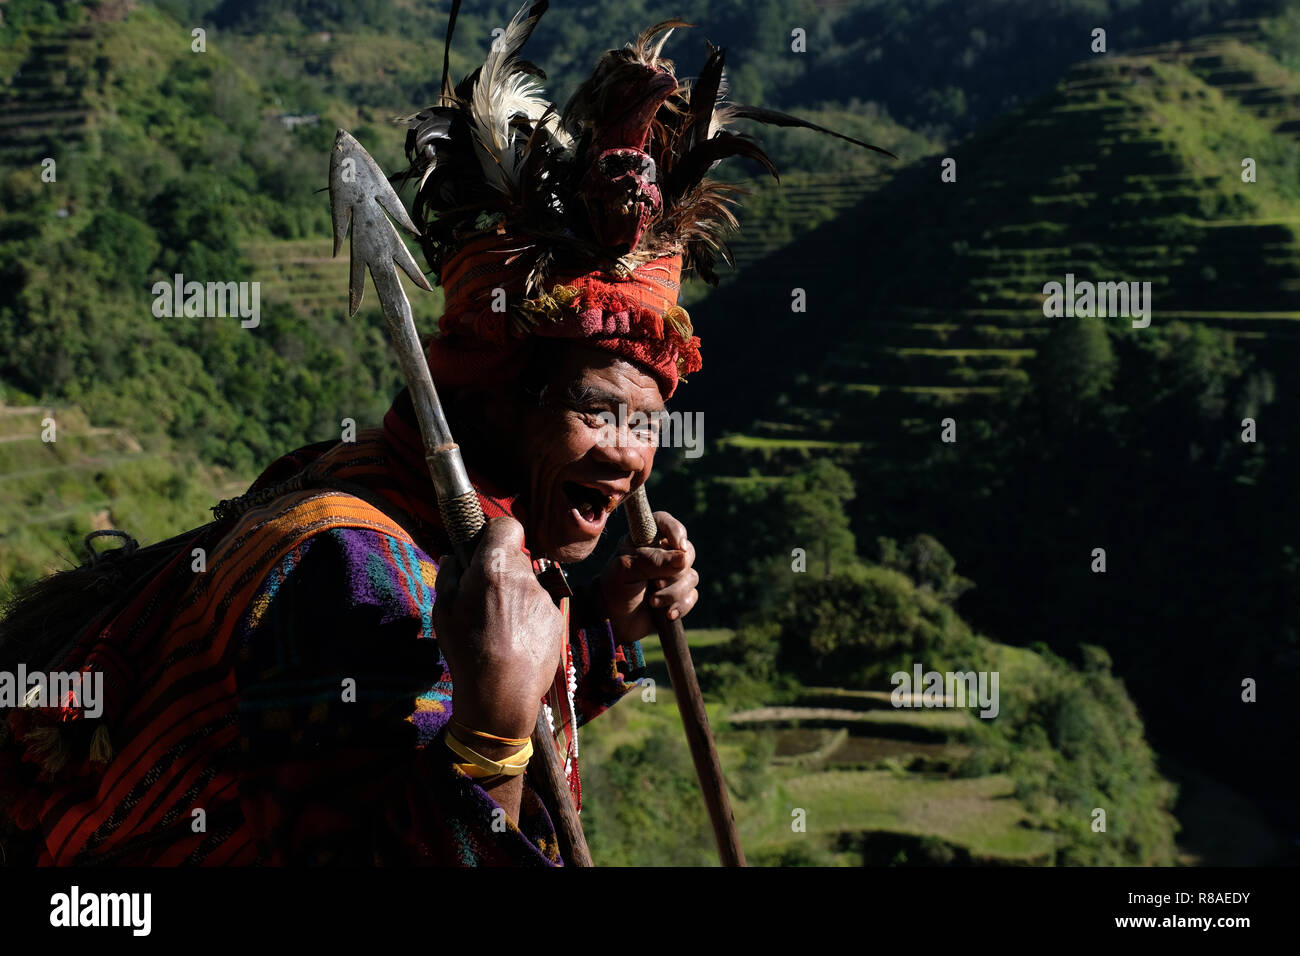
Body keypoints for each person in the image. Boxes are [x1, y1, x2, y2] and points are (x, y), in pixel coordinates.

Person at [0, 4, 890, 866]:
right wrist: (492, 741)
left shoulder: (431, 520)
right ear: (491, 396)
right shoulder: (350, 572)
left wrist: (604, 634)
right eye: (593, 410)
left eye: (644, 422)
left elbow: (414, 706)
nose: (625, 454)